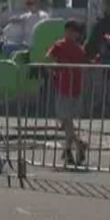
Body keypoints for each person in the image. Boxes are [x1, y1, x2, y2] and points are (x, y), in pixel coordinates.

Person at [46, 19, 90, 166]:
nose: (69, 34)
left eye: (72, 32)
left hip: (66, 87)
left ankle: (78, 144)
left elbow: (49, 59)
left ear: (77, 34)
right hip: (73, 88)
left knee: (65, 119)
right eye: (68, 31)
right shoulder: (78, 48)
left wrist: (55, 67)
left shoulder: (63, 46)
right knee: (67, 120)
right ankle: (68, 151)